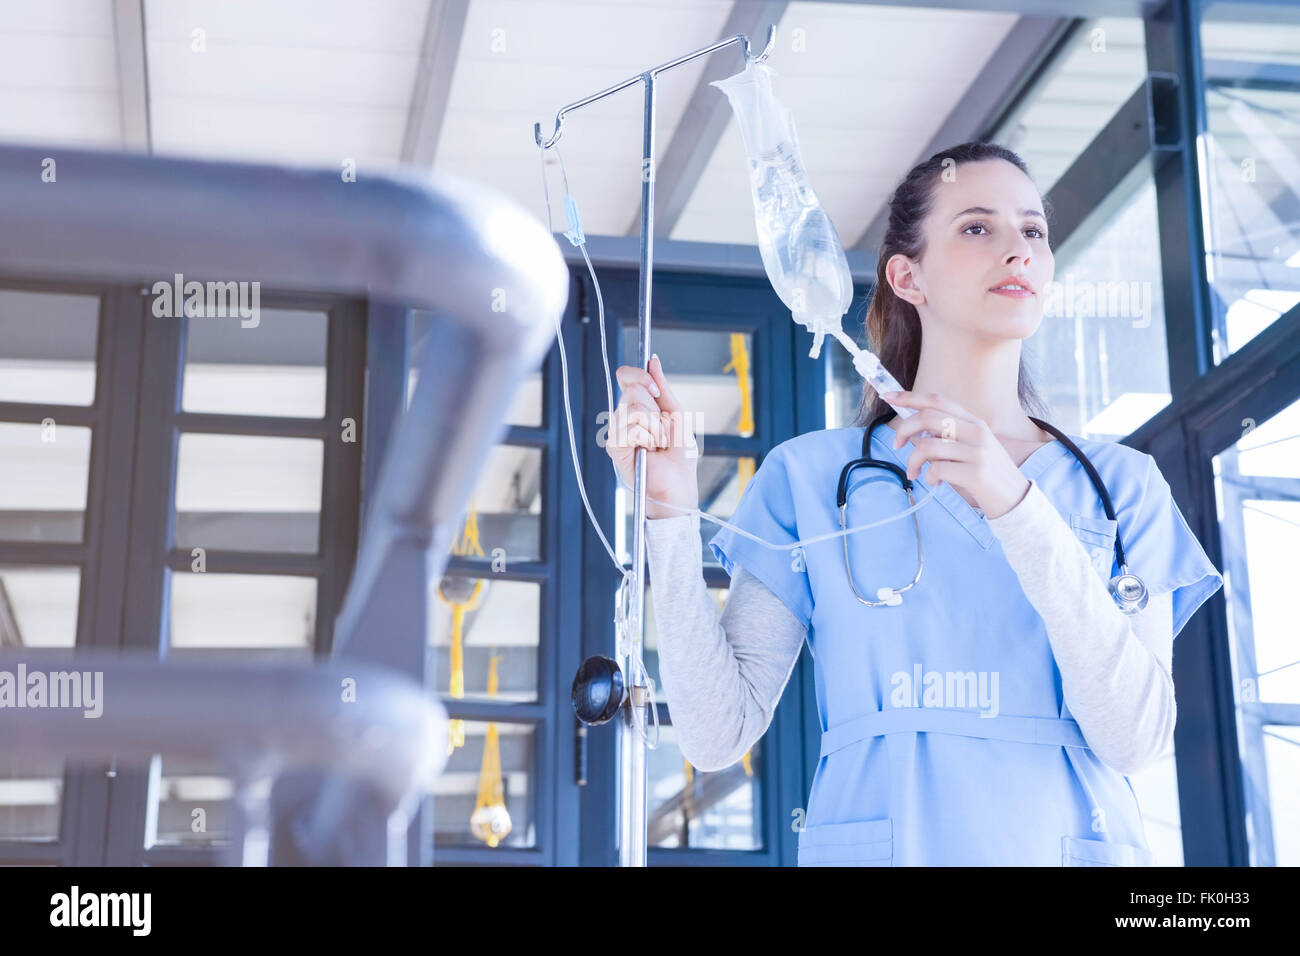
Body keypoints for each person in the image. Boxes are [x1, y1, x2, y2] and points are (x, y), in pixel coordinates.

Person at [604, 141, 1224, 866]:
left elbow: (1137, 738)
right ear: (908, 275)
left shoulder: (1123, 486)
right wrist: (669, 519)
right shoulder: (807, 479)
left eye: (1032, 231)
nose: (1018, 251)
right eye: (977, 228)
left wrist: (1014, 505)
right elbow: (716, 734)